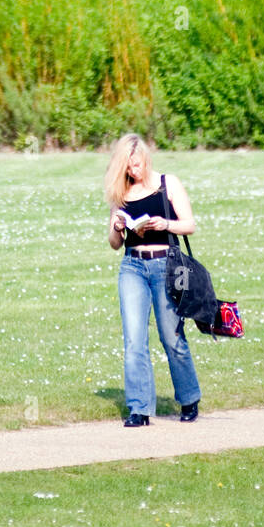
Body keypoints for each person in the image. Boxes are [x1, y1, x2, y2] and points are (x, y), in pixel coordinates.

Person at [104, 133, 202, 427]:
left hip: (166, 266)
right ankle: (139, 408)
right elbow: (114, 244)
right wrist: (118, 226)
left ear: (145, 157)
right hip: (132, 267)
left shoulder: (167, 183)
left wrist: (165, 224)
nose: (135, 171)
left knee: (171, 336)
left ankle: (189, 398)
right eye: (129, 168)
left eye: (138, 164)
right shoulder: (120, 193)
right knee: (134, 340)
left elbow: (190, 225)